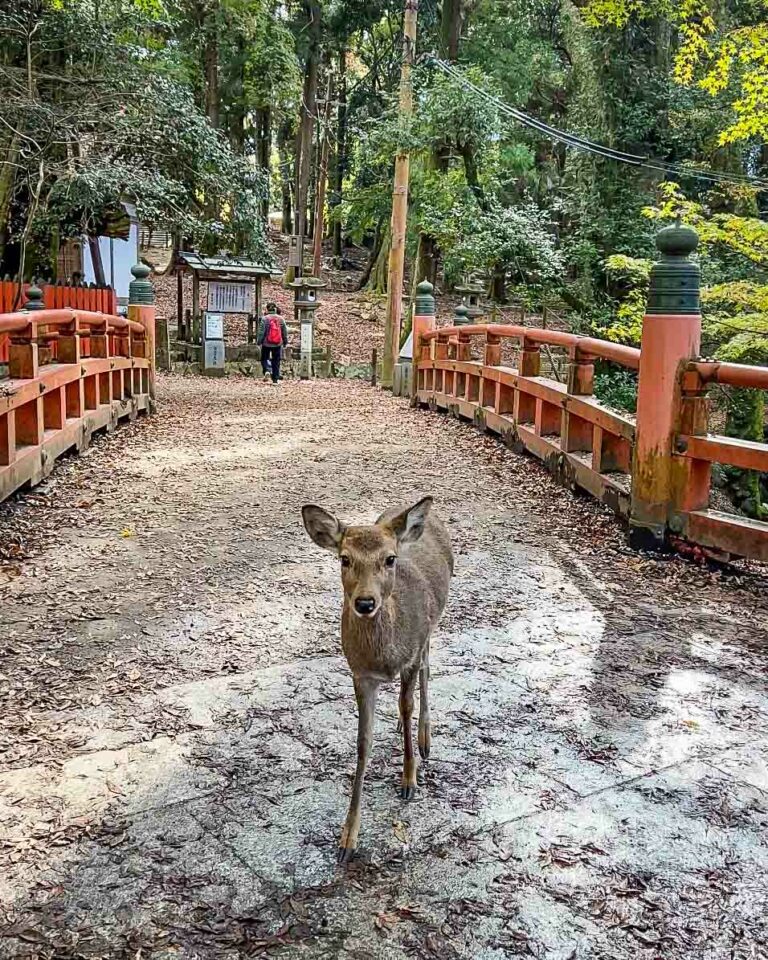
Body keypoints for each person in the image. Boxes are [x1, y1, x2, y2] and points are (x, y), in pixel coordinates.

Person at [257, 302, 288, 385]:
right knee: (276, 361)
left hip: (266, 343)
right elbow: (284, 331)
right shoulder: (281, 319)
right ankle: (275, 379)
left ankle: (267, 370)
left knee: (264, 358)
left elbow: (261, 332)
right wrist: (285, 341)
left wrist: (259, 341)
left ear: (267, 309)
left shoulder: (264, 319)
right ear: (275, 309)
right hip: (277, 343)